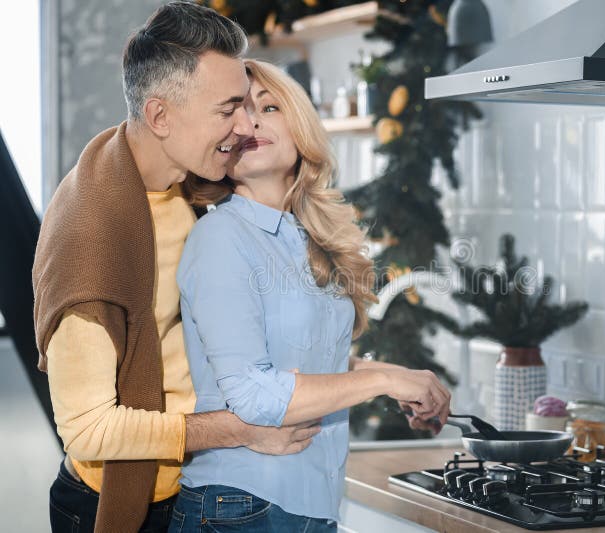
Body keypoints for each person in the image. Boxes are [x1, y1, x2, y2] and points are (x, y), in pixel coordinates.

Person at [32, 4, 319, 533]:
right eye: (228, 108)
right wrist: (240, 430)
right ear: (160, 116)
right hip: (113, 504)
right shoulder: (90, 240)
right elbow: (89, 431)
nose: (246, 124)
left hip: (187, 486)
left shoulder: (189, 188)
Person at [170, 59, 453, 532]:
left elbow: (305, 363)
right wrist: (383, 383)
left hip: (306, 507)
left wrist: (397, 375)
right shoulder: (221, 237)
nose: (252, 121)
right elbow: (253, 392)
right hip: (239, 507)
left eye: (269, 106)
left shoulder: (306, 239)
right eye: (236, 111)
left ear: (299, 124)